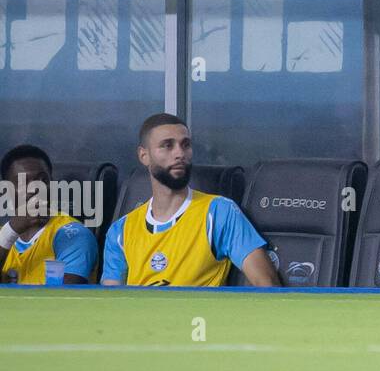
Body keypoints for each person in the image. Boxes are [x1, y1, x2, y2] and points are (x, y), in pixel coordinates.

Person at [101, 113, 278, 287]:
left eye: (185, 145)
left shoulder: (218, 212)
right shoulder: (121, 231)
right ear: (144, 156)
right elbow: (111, 301)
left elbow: (267, 285)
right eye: (167, 145)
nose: (180, 153)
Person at [0, 144, 98, 284]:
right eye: (23, 182)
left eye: (43, 180)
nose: (35, 188)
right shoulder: (4, 236)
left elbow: (63, 300)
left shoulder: (73, 235)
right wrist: (11, 231)